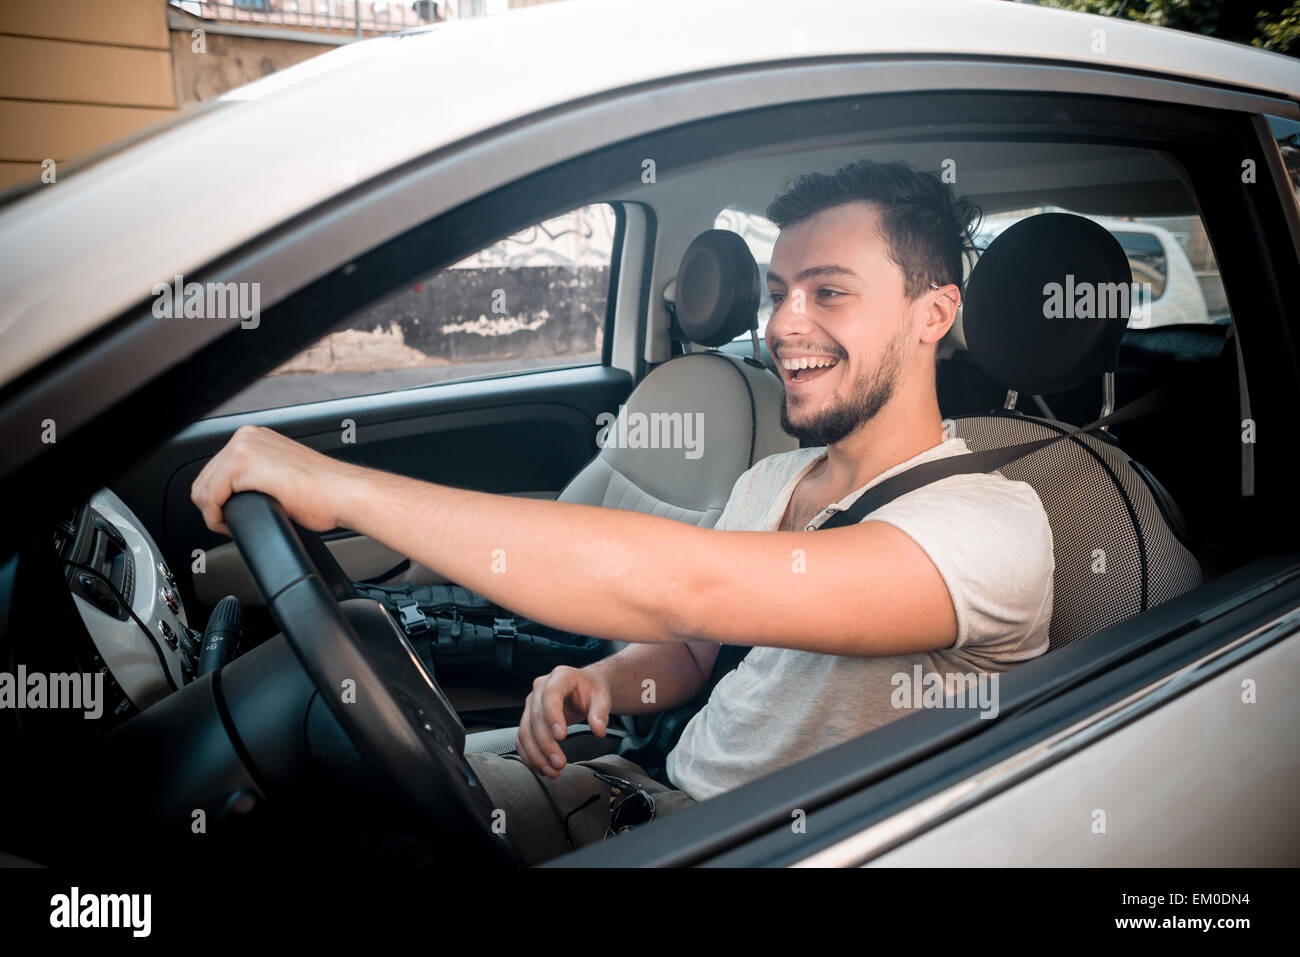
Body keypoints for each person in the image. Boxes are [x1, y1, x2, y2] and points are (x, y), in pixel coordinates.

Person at [190, 160, 1054, 865]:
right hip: (639, 794)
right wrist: (602, 681)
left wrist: (341, 487)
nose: (783, 324)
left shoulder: (987, 524)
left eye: (829, 293)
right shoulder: (776, 478)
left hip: (766, 844)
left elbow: (687, 584)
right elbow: (690, 647)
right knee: (302, 803)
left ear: (933, 312)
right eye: (779, 289)